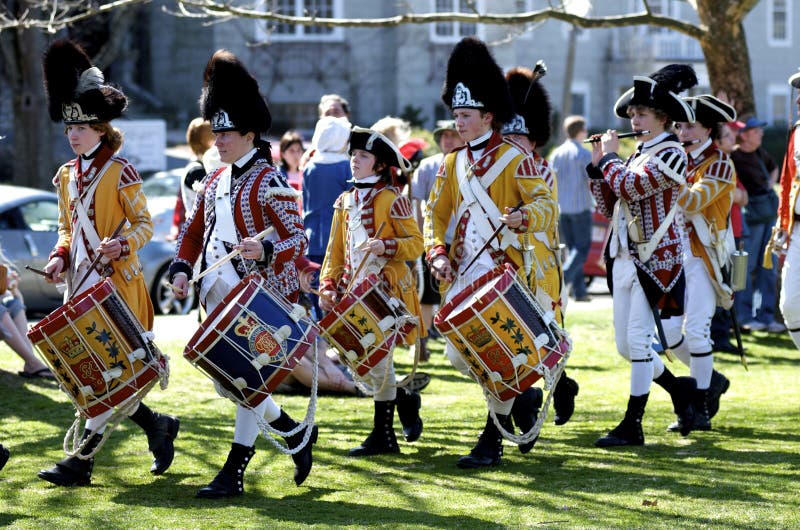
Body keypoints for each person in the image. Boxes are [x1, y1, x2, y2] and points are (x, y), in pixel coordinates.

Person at [169, 50, 316, 498]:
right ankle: (293, 433)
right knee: (231, 383)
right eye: (216, 131)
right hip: (216, 293)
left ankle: (233, 470)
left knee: (244, 380)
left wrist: (266, 246)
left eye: (227, 132)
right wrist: (179, 267)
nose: (219, 140)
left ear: (250, 133)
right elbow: (193, 233)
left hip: (255, 297)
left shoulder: (271, 180)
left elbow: (298, 241)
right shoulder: (212, 181)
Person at [38, 39, 179, 486]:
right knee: (97, 374)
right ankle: (158, 425)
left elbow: (144, 226)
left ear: (102, 130)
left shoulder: (121, 172)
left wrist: (121, 246)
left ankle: (79, 462)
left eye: (81, 128)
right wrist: (60, 256)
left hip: (119, 285)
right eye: (68, 129)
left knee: (108, 373)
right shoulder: (64, 176)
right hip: (79, 285)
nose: (73, 135)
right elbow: (66, 227)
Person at [424, 37, 558, 467]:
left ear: (487, 116)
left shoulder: (515, 160)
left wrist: (523, 218)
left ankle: (491, 439)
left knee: (492, 354)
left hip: (505, 276)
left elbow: (545, 205)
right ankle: (522, 397)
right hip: (462, 272)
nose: (458, 124)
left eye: (466, 116)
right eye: (455, 116)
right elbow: (434, 217)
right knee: (459, 356)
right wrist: (437, 254)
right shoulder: (450, 164)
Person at [588, 64, 699, 447]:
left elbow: (633, 188)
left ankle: (632, 424)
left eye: (642, 113)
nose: (634, 118)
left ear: (664, 118)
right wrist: (596, 168)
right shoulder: (634, 154)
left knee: (637, 341)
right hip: (622, 257)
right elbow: (609, 204)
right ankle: (679, 390)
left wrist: (608, 161)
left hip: (655, 261)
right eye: (632, 113)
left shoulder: (671, 155)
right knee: (625, 346)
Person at [319, 127, 425, 456]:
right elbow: (335, 251)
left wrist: (386, 245)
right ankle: (404, 398)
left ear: (379, 165)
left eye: (363, 156)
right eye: (353, 155)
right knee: (363, 363)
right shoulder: (344, 201)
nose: (355, 161)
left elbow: (416, 245)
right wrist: (327, 284)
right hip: (353, 292)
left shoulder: (394, 200)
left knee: (378, 364)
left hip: (386, 293)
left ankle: (384, 436)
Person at [503, 66, 580, 427]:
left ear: (533, 140)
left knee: (544, 332)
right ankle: (532, 395)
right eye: (508, 138)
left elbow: (539, 214)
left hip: (539, 262)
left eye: (520, 139)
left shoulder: (541, 169)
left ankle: (560, 385)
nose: (514, 144)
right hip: (508, 261)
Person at [661, 95, 736, 432]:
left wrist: (664, 171)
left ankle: (700, 404)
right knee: (670, 334)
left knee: (696, 330)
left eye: (690, 125)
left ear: (708, 128)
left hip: (705, 259)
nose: (682, 131)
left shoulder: (719, 164)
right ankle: (712, 378)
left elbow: (693, 202)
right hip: (673, 258)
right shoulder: (680, 161)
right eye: (679, 125)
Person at [411, 120, 463, 346]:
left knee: (458, 293)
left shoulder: (468, 165)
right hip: (433, 240)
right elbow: (416, 201)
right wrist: (423, 236)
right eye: (444, 136)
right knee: (427, 294)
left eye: (452, 135)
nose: (448, 139)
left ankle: (456, 342)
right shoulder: (427, 166)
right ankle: (422, 339)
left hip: (462, 240)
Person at [731, 116, 784, 333]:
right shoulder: (733, 156)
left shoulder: (761, 153)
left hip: (767, 217)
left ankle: (766, 316)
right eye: (756, 131)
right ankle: (743, 316)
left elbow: (774, 168)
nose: (761, 134)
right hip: (748, 219)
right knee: (746, 267)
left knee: (768, 268)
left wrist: (769, 184)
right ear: (743, 135)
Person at [302, 116, 353, 320]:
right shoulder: (345, 167)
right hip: (338, 241)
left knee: (315, 293)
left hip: (311, 238)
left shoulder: (310, 166)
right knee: (336, 293)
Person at [710, 122, 747, 354]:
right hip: (723, 233)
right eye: (726, 135)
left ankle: (723, 334)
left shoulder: (728, 162)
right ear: (717, 141)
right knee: (721, 285)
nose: (732, 136)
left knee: (732, 285)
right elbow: (736, 194)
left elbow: (743, 196)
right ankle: (718, 337)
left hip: (734, 231)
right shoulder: (717, 164)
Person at [549, 116, 594, 302]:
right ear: (580, 131)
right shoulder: (584, 154)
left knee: (572, 250)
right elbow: (591, 180)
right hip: (580, 207)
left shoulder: (556, 153)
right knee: (581, 250)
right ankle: (563, 279)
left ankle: (579, 292)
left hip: (561, 208)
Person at [775, 69, 800, 349]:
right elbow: (786, 181)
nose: (798, 101)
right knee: (790, 305)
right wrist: (783, 226)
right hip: (798, 229)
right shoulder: (797, 131)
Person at [170, 118, 215, 240]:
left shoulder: (200, 166)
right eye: (216, 135)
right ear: (208, 141)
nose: (220, 140)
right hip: (202, 238)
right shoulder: (197, 170)